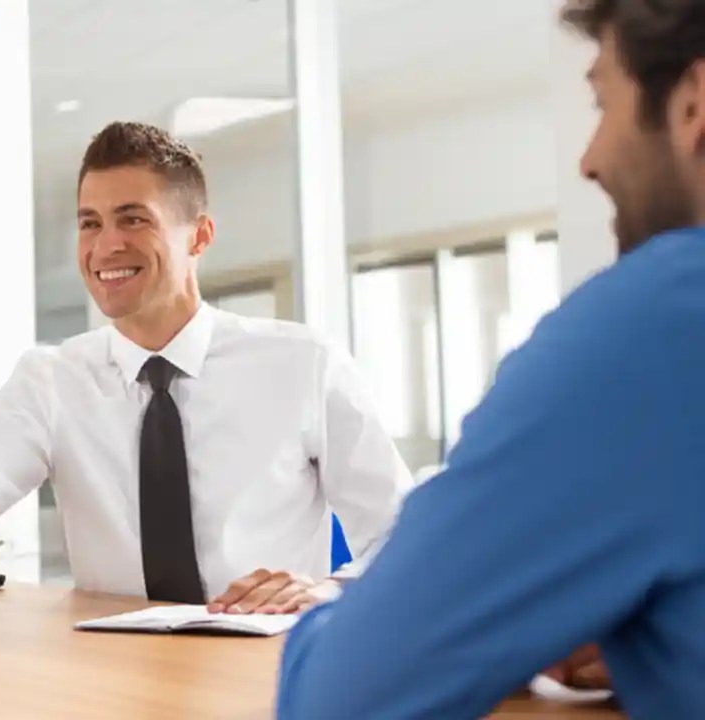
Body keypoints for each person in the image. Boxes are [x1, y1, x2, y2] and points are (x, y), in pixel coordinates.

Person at [276, 1, 705, 717]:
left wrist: (481, 622)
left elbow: (340, 698)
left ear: (693, 103)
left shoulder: (656, 325)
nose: (589, 156)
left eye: (604, 102)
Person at [0, 121, 413, 612]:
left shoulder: (303, 365)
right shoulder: (52, 380)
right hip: (117, 671)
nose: (106, 245)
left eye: (133, 220)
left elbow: (402, 530)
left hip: (265, 666)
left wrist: (329, 591)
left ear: (199, 235)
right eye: (90, 223)